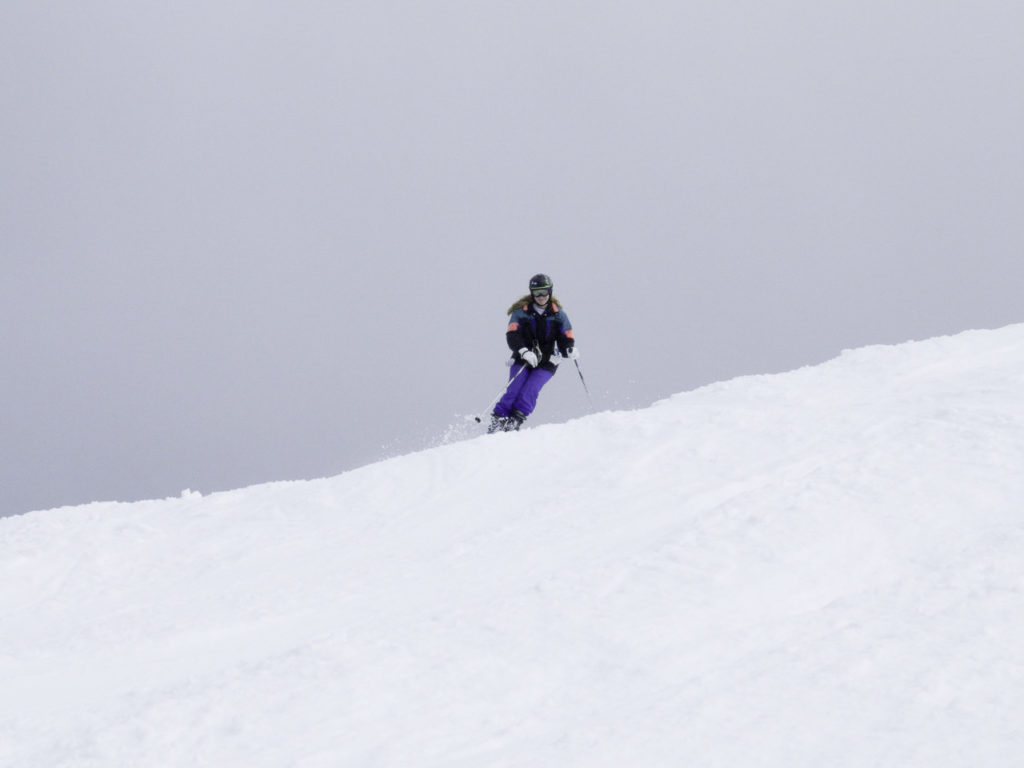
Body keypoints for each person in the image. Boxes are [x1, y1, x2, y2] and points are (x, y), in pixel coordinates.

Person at [487, 273, 579, 433]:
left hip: (548, 360)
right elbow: (512, 334)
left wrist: (569, 349)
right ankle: (498, 420)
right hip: (524, 357)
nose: (541, 296)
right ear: (531, 293)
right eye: (537, 293)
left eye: (544, 292)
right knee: (514, 388)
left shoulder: (558, 315)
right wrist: (523, 351)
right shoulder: (521, 313)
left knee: (531, 389)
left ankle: (514, 421)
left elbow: (566, 336)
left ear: (550, 292)